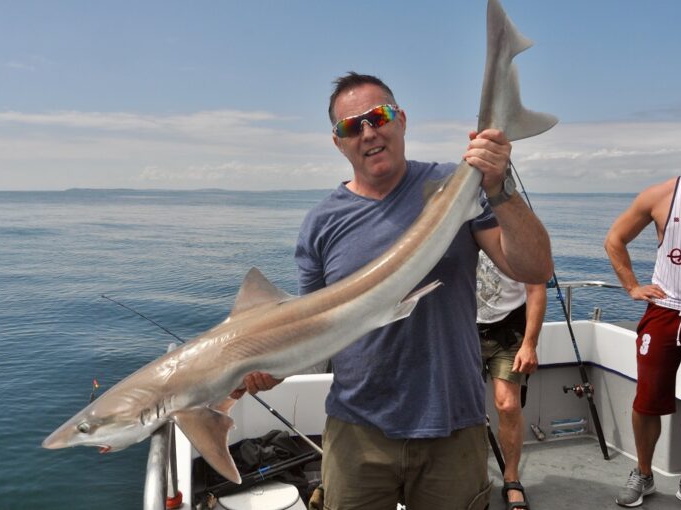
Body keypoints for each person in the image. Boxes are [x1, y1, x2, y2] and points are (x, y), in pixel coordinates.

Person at [237, 72, 553, 509]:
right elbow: (310, 331)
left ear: (401, 119)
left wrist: (499, 189)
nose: (368, 132)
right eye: (351, 126)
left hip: (452, 423)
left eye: (378, 116)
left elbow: (535, 267)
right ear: (337, 142)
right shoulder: (321, 224)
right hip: (358, 430)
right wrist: (265, 370)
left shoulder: (452, 187)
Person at [605, 177, 681, 507]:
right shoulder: (663, 195)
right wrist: (632, 287)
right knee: (647, 400)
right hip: (666, 312)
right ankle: (644, 473)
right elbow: (615, 239)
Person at [477, 251, 547, 509]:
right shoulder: (459, 224)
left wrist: (529, 344)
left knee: (508, 406)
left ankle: (511, 479)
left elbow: (536, 289)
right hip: (464, 333)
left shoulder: (515, 232)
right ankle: (472, 479)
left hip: (508, 335)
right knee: (463, 410)